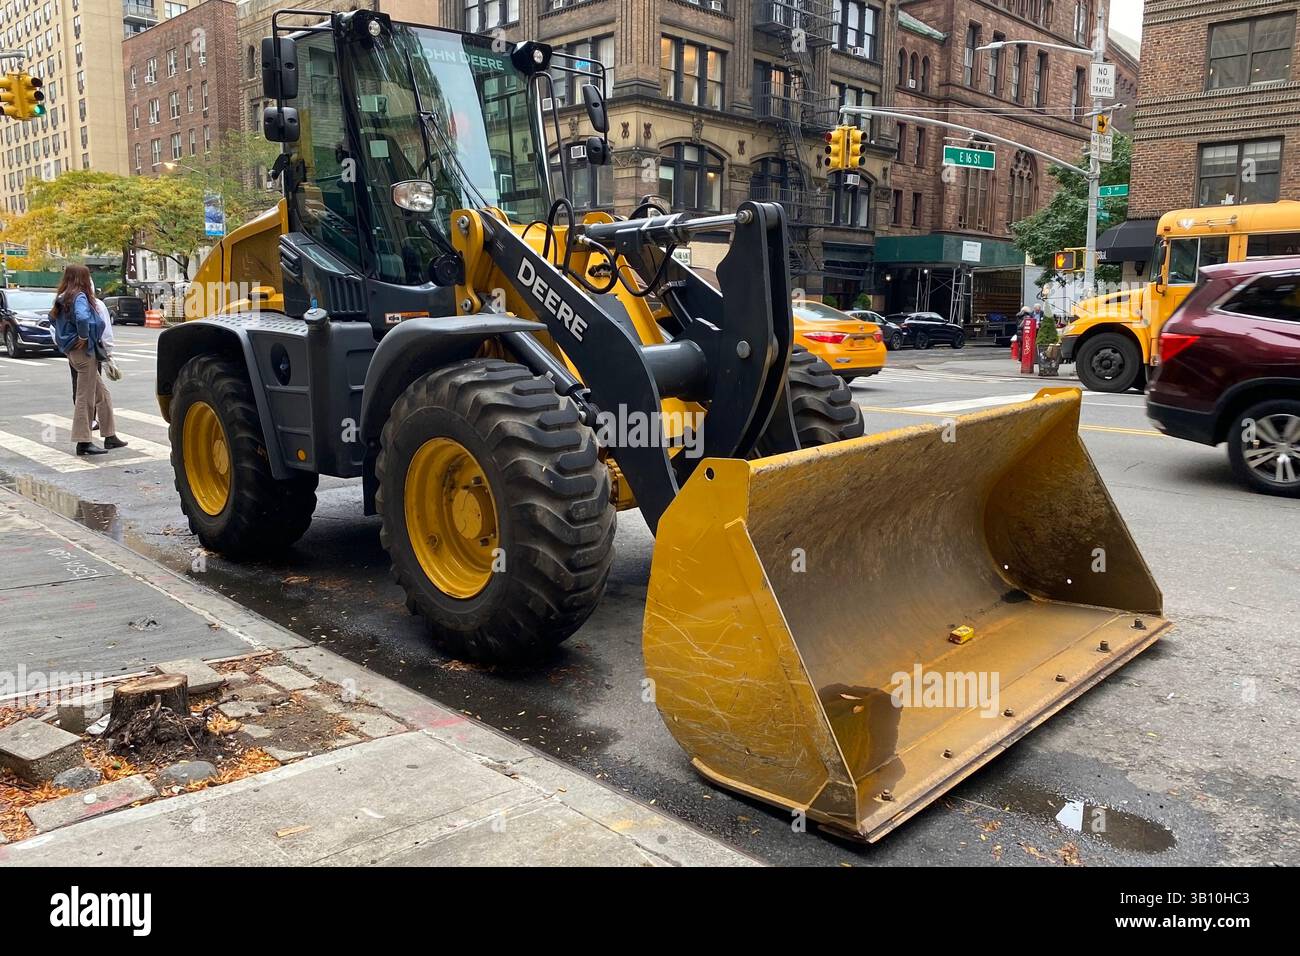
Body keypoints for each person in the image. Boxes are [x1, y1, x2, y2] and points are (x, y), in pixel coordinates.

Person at [51, 265, 127, 456]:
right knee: (85, 397)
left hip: (74, 353)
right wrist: (83, 337)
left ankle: (110, 436)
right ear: (83, 279)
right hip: (85, 352)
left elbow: (52, 321)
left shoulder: (62, 297)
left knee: (102, 394)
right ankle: (83, 441)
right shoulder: (80, 296)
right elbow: (83, 318)